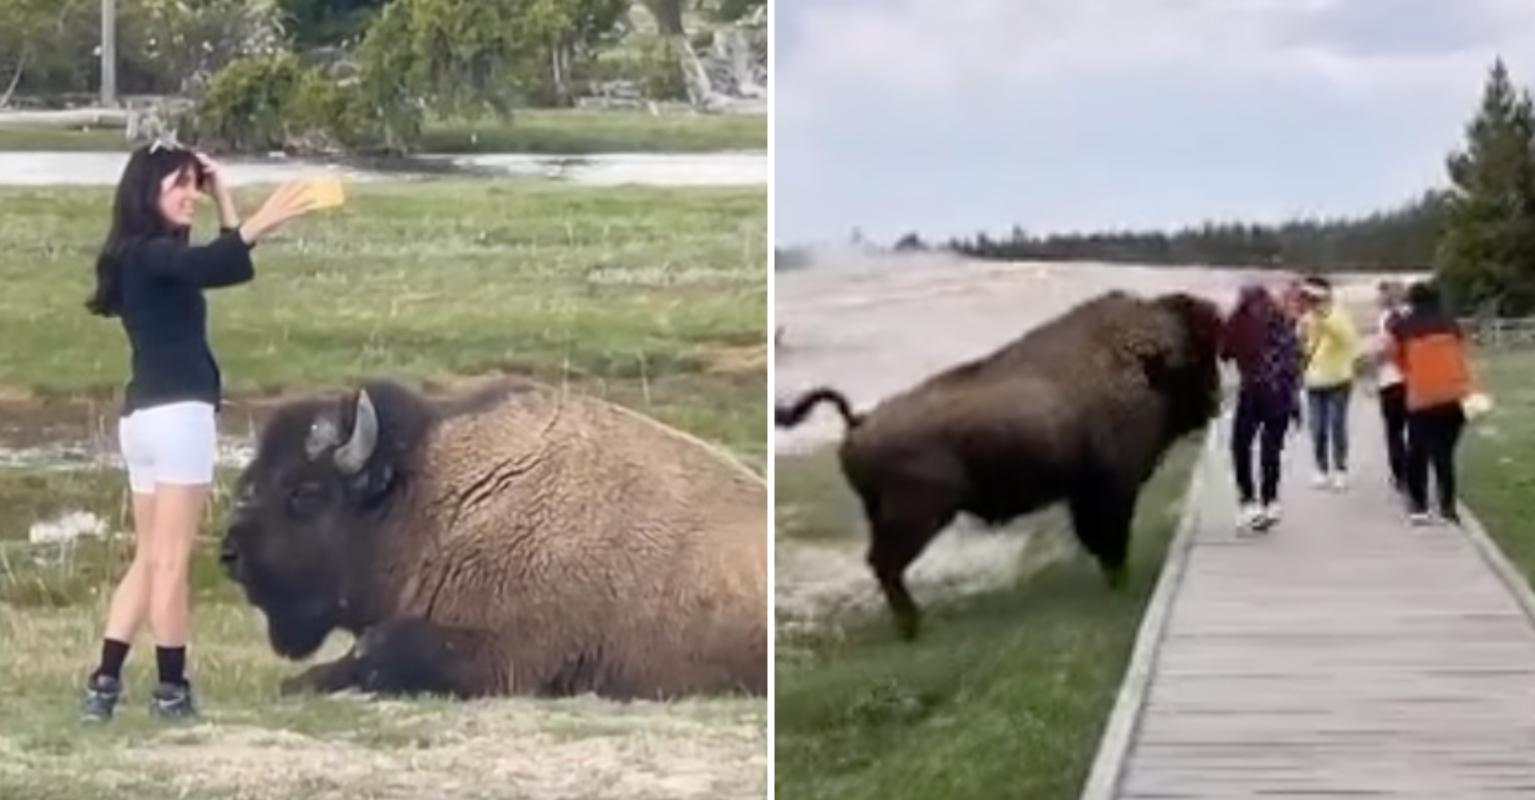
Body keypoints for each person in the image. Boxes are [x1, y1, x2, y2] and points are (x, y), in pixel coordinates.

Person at [79, 140, 320, 722]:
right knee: (170, 561)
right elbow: (215, 262)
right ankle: (171, 692)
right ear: (148, 195)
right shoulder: (153, 256)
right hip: (178, 418)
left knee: (149, 558)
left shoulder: (141, 257)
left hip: (144, 422)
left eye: (194, 183)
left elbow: (228, 268)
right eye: (177, 186)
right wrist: (260, 218)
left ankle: (104, 685)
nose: (190, 195)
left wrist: (227, 201)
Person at [1387, 281, 1475, 526]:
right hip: (1453, 397)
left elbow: (1396, 358)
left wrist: (1413, 376)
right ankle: (1447, 508)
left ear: (1412, 301)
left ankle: (1419, 507)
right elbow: (1462, 357)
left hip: (1422, 398)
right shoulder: (1452, 324)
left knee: (1417, 452)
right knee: (1444, 455)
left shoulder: (1402, 327)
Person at [1221, 284, 1304, 531]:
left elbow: (1224, 353)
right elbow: (1295, 363)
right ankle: (1270, 500)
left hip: (1253, 393)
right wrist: (1295, 402)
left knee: (1240, 446)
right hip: (1281, 395)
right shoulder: (1285, 324)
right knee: (1271, 449)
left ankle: (1248, 502)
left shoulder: (1240, 322)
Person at [1296, 276, 1360, 490]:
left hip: (1339, 380)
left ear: (1326, 295)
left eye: (1315, 297)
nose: (1311, 302)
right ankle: (1321, 468)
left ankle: (1340, 469)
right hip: (1314, 382)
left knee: (1336, 425)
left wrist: (1324, 318)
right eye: (1309, 298)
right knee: (1318, 427)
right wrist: (1302, 337)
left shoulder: (1340, 315)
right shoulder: (1306, 318)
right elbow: (1304, 348)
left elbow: (1347, 339)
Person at [1371, 280, 1410, 493]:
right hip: (1414, 381)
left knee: (1394, 431)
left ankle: (1400, 474)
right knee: (1413, 430)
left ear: (1388, 297)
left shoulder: (1387, 318)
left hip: (1391, 380)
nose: (1377, 299)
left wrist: (1374, 358)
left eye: (1380, 295)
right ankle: (1412, 472)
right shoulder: (1413, 314)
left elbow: (1383, 350)